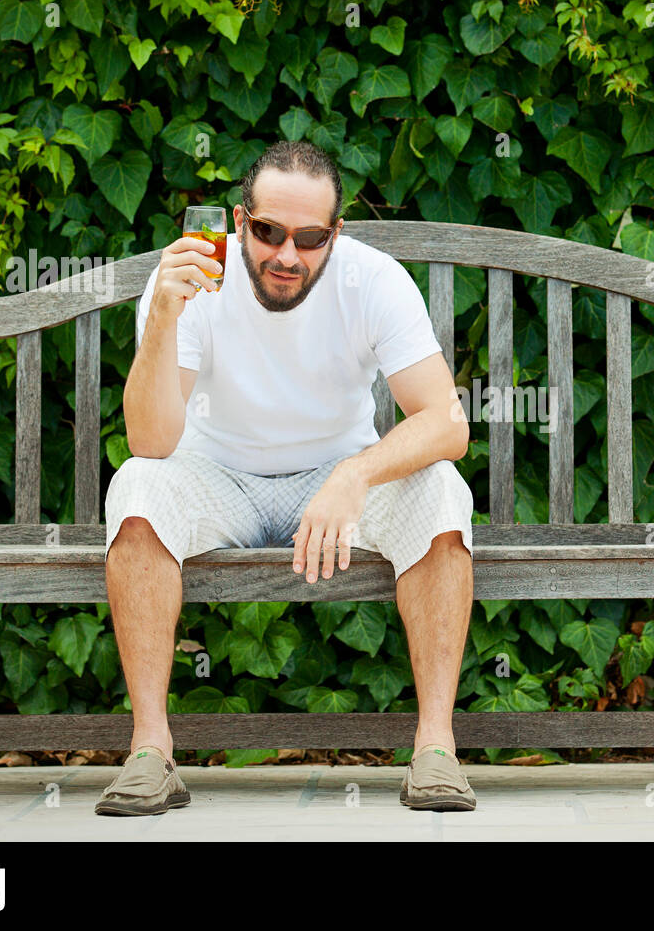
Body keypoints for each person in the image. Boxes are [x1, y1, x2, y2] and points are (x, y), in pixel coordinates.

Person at [94, 141, 476, 815]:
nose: (286, 255)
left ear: (336, 234)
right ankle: (151, 751)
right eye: (268, 231)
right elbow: (151, 441)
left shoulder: (374, 279)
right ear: (241, 222)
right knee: (136, 486)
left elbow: (448, 423)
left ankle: (436, 749)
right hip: (216, 480)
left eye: (309, 238)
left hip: (335, 485)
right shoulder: (192, 280)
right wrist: (161, 316)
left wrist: (356, 474)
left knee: (442, 488)